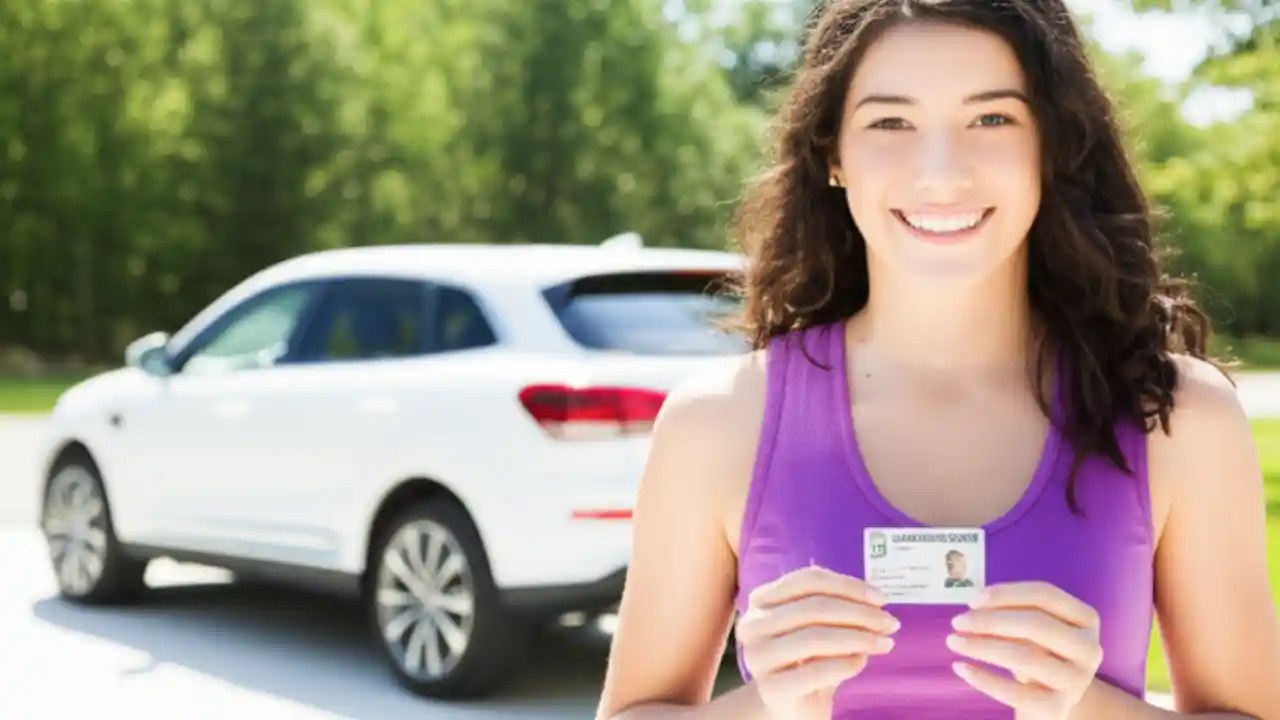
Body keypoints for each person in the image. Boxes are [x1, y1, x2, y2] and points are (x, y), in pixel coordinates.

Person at [595, 1, 1280, 719]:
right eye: (891, 122)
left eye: (992, 119)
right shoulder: (719, 422)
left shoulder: (1175, 418)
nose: (942, 171)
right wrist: (768, 708)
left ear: (1051, 143)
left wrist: (1085, 708)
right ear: (832, 154)